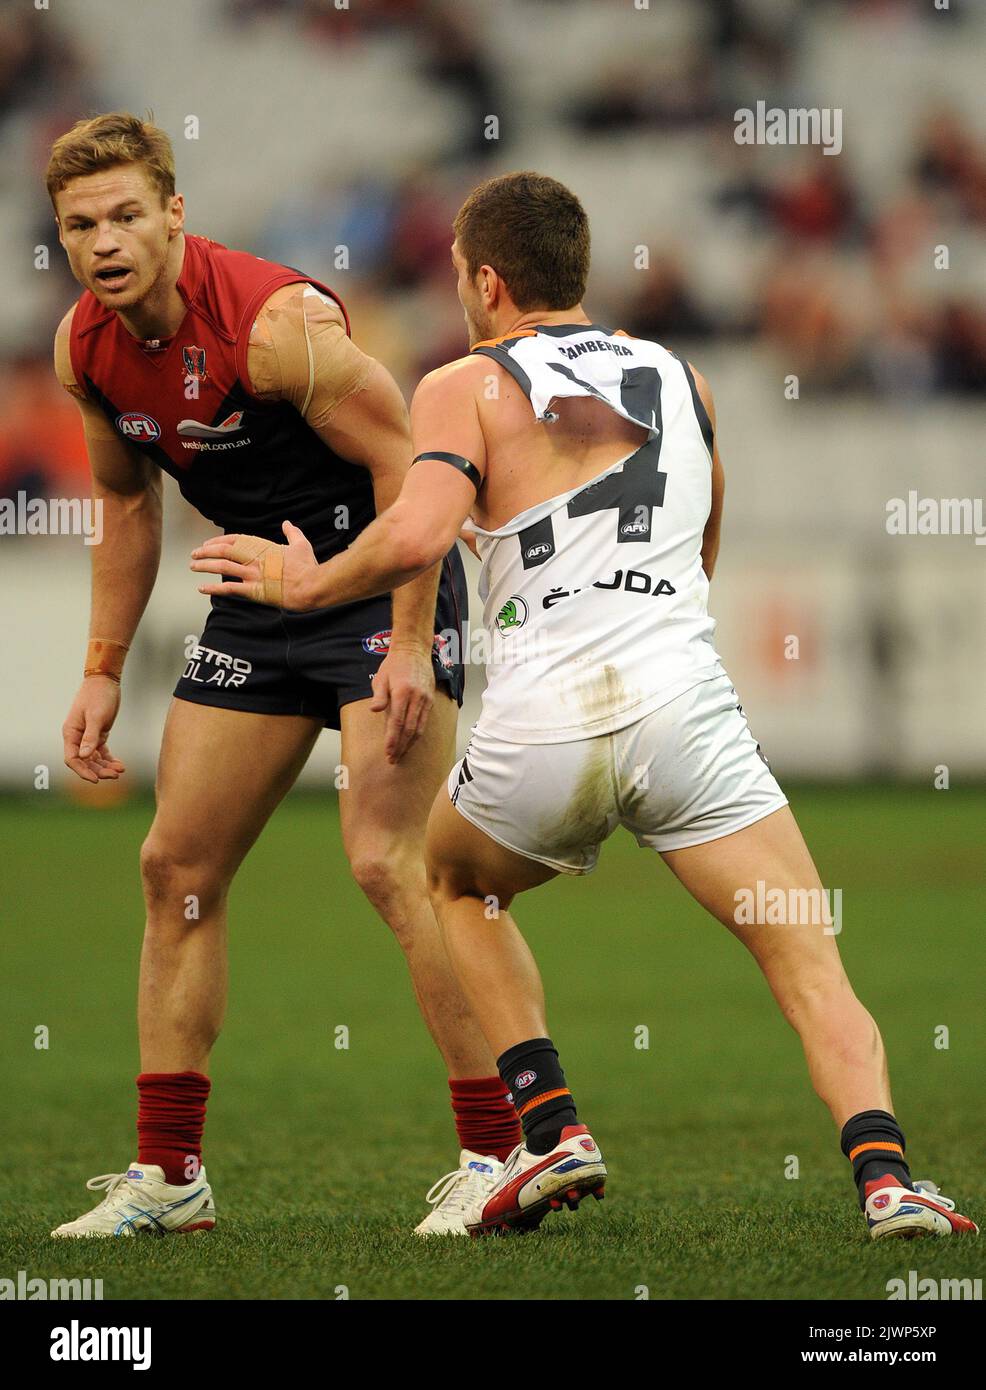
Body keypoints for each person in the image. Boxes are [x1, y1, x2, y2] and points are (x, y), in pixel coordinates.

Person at [191, 171, 977, 1242]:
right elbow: (706, 534)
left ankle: (552, 1126)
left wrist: (305, 586)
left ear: (485, 279)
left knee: (453, 882)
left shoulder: (460, 381)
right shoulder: (682, 375)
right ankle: (889, 1180)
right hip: (682, 707)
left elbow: (418, 531)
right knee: (802, 947)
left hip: (543, 722)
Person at [48, 113, 520, 1240]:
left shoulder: (274, 325)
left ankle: (501, 1149)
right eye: (78, 225)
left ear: (174, 214)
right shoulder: (86, 348)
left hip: (374, 586)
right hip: (258, 605)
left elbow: (411, 464)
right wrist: (101, 668)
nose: (103, 241)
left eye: (125, 215)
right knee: (175, 867)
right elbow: (124, 504)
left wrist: (409, 641)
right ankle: (169, 1178)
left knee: (385, 860)